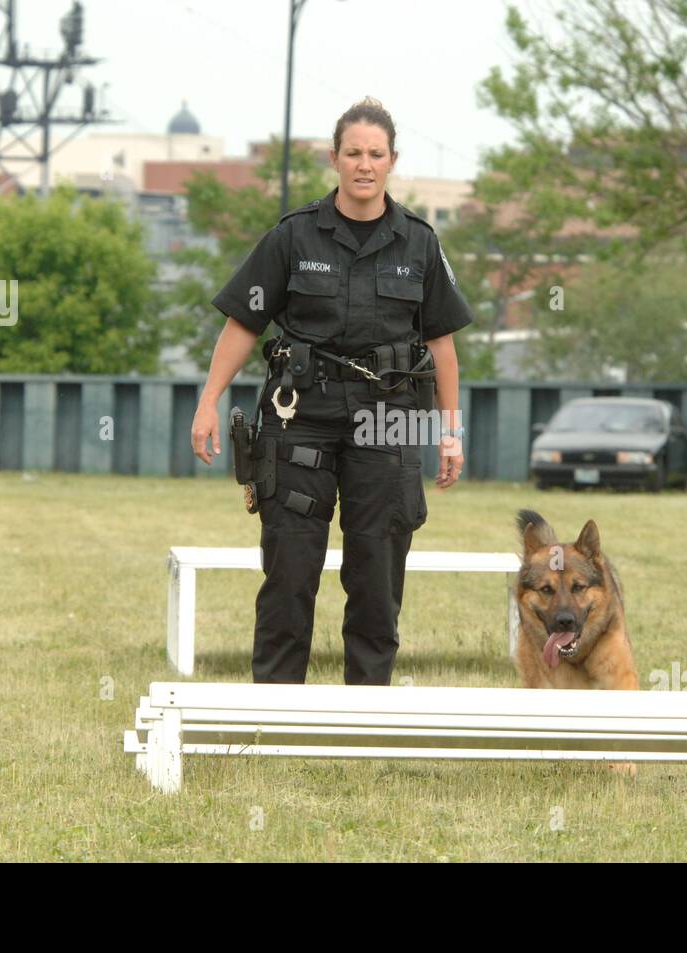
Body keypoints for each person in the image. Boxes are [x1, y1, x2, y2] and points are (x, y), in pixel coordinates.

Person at [190, 96, 475, 686]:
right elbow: (245, 322)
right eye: (353, 153)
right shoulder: (294, 236)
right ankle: (276, 713)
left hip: (389, 421)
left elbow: (443, 343)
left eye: (375, 154)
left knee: (377, 573)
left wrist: (451, 433)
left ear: (392, 160)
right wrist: (207, 401)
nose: (364, 164)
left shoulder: (419, 243)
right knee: (290, 570)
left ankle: (366, 714)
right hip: (302, 415)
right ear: (334, 158)